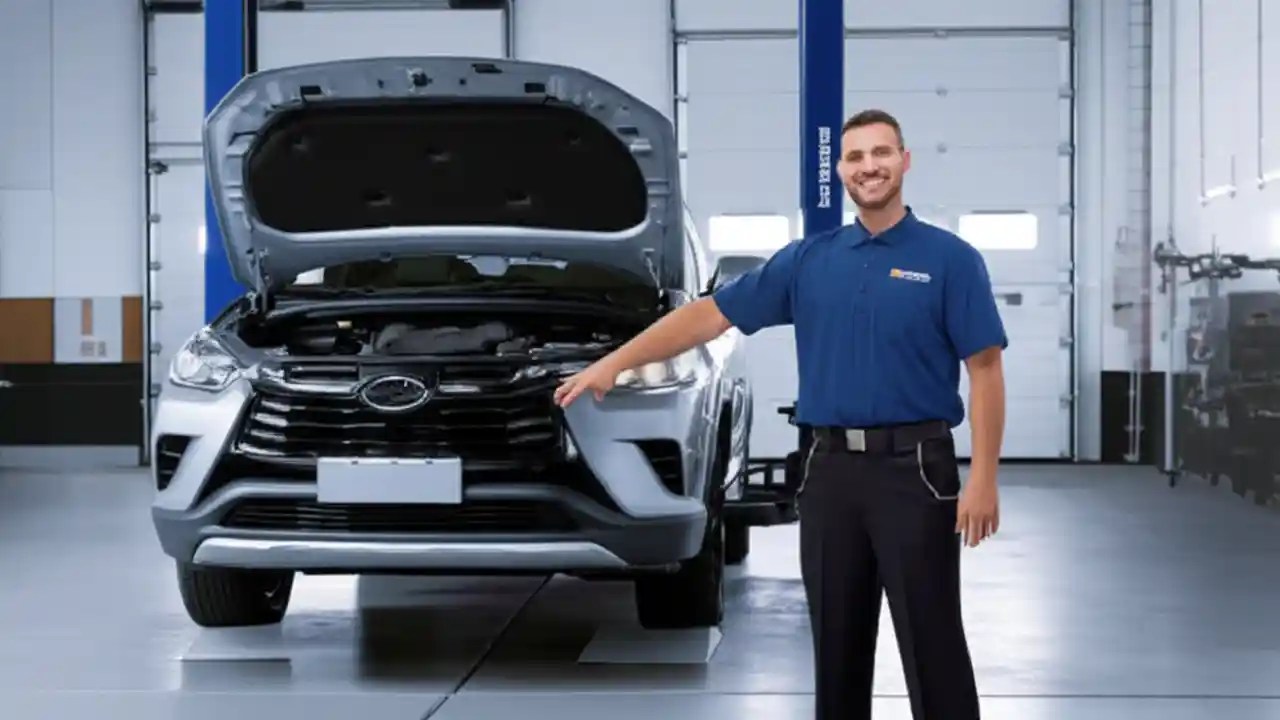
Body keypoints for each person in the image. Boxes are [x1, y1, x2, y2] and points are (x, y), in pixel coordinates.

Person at [554, 108, 1005, 720]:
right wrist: (614, 362)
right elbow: (710, 314)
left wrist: (984, 479)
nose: (869, 166)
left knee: (933, 644)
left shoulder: (950, 259)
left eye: (881, 153)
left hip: (917, 472)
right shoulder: (809, 260)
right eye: (855, 156)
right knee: (837, 648)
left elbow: (985, 370)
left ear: (904, 161)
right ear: (840, 171)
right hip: (829, 474)